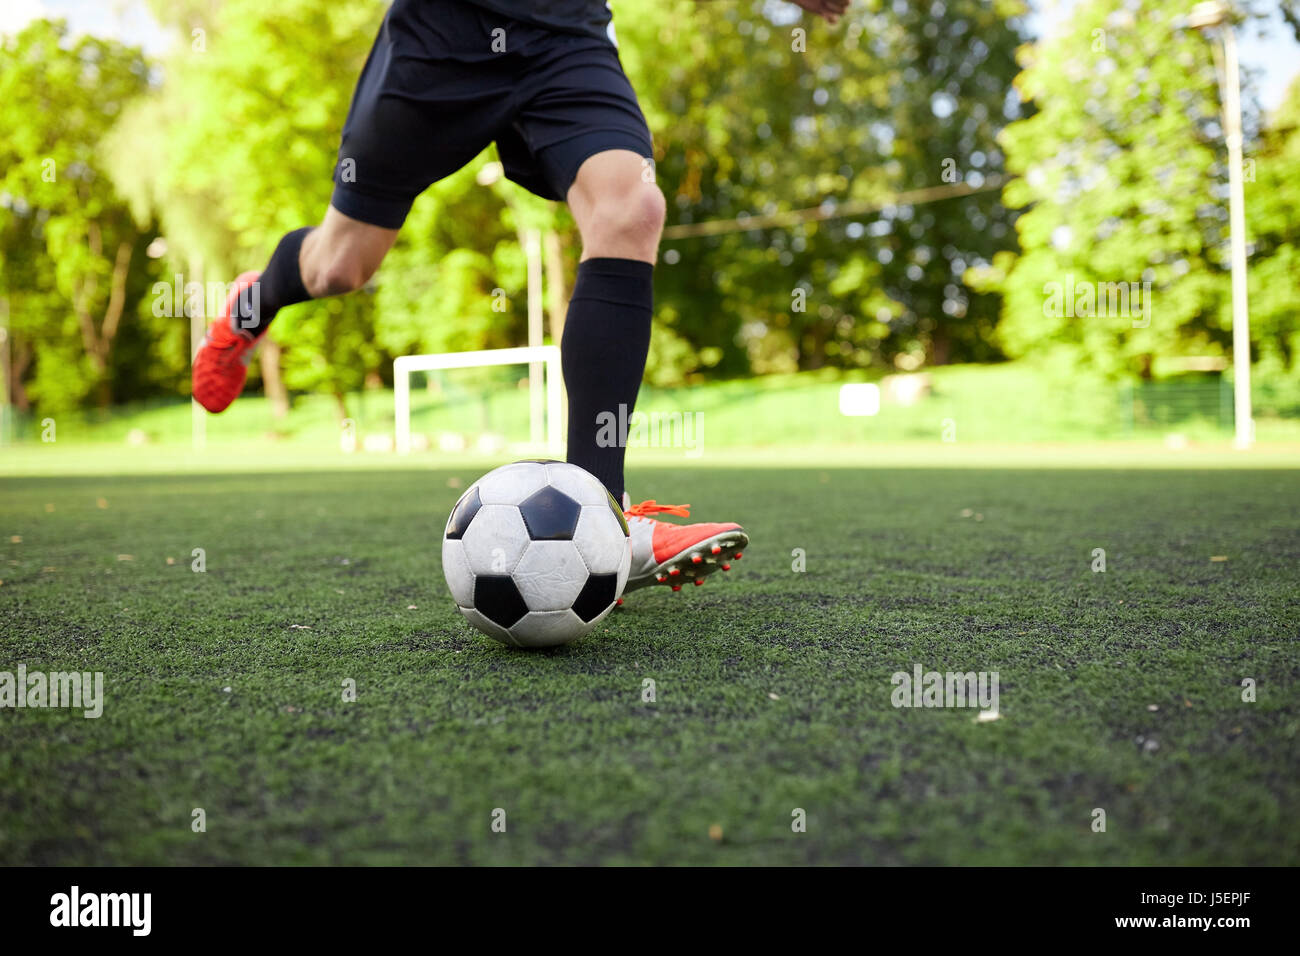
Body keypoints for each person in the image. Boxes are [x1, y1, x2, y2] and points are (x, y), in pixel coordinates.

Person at [192, 0, 849, 592]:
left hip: (566, 35)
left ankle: (606, 518)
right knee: (341, 265)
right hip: (442, 33)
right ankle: (253, 305)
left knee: (632, 208)